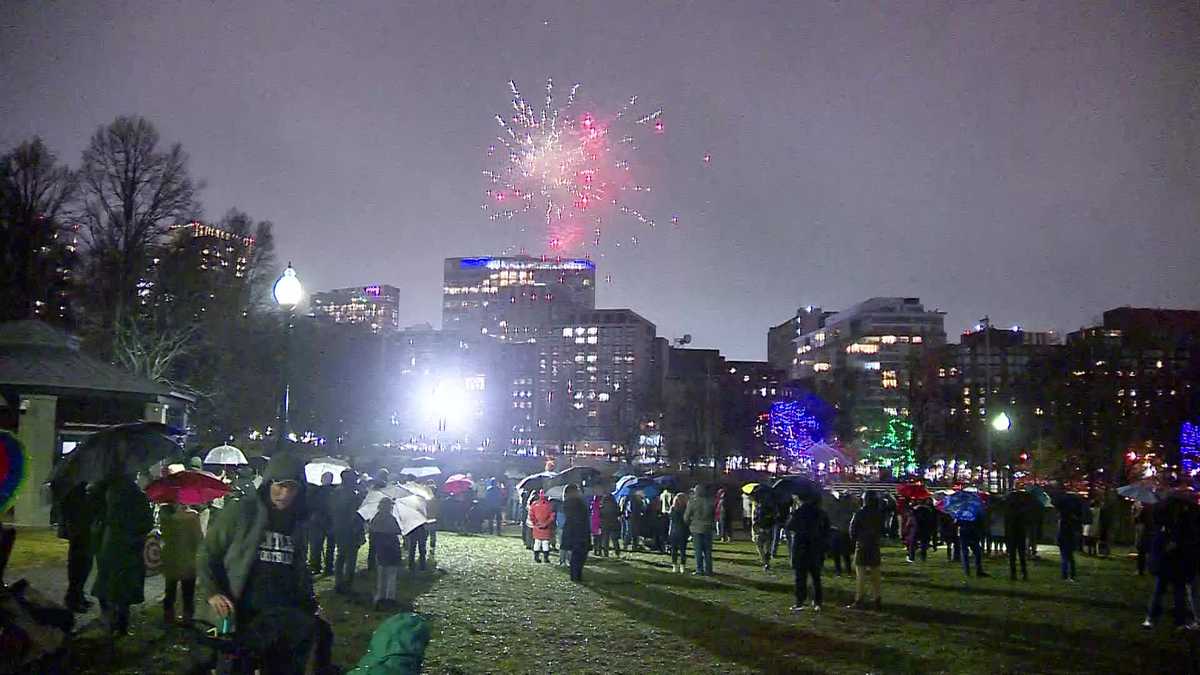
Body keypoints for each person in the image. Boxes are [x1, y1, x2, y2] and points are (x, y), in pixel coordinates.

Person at [196, 453, 331, 675]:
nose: (285, 494)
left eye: (292, 488)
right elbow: (208, 553)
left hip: (281, 618)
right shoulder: (241, 512)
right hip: (242, 614)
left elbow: (298, 568)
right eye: (280, 486)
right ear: (269, 482)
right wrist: (213, 592)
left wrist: (311, 605)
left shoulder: (298, 522)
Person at [92, 473, 154, 637]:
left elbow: (96, 516)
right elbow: (148, 522)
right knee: (123, 587)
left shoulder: (104, 491)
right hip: (130, 545)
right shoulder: (137, 496)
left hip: (108, 542)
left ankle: (108, 618)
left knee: (106, 581)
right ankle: (121, 625)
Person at [1143, 497, 1198, 629]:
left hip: (1169, 563)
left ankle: (1152, 618)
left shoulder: (1164, 525)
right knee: (1176, 591)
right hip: (1175, 562)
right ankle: (1177, 620)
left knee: (1162, 591)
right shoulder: (1180, 524)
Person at [160, 503, 203, 625]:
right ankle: (187, 618)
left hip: (171, 558)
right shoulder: (193, 517)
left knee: (170, 590)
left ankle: (168, 617)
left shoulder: (165, 516)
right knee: (188, 592)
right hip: (188, 559)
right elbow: (199, 539)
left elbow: (164, 536)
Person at [58, 481, 96, 612]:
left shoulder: (83, 488)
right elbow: (69, 509)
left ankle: (78, 595)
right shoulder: (72, 489)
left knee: (85, 564)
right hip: (79, 531)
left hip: (84, 530)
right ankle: (73, 598)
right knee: (78, 565)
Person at [788, 494, 830, 612]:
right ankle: (818, 602)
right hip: (816, 548)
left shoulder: (798, 512)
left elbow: (790, 526)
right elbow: (827, 530)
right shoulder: (821, 513)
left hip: (801, 548)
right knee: (816, 577)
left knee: (800, 577)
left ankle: (800, 602)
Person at [847, 491, 883, 610]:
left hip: (862, 545)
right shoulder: (878, 513)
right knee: (875, 573)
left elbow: (852, 529)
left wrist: (856, 539)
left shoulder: (859, 513)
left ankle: (859, 598)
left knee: (861, 574)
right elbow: (883, 528)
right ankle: (877, 598)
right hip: (874, 545)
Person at [332, 469, 365, 594]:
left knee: (341, 556)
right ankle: (346, 584)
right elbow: (355, 514)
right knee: (350, 558)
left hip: (339, 528)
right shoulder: (352, 495)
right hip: (350, 530)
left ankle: (338, 582)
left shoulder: (336, 492)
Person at [369, 497, 403, 610]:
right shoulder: (391, 519)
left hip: (381, 550)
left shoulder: (376, 518)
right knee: (391, 574)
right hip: (392, 549)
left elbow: (372, 533)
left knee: (381, 574)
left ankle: (380, 596)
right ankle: (390, 597)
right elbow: (397, 530)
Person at [561, 484, 591, 582]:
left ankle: (577, 574)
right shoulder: (574, 503)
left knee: (579, 554)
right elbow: (577, 518)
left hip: (577, 531)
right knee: (578, 554)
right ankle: (576, 575)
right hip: (578, 531)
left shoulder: (573, 502)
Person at [308, 472, 336, 576]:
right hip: (322, 521)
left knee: (320, 546)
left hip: (323, 521)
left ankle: (320, 566)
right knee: (320, 546)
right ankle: (322, 566)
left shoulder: (317, 491)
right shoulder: (319, 491)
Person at [684, 484, 715, 576]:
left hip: (696, 528)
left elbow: (686, 516)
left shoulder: (692, 502)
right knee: (708, 551)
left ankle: (699, 569)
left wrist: (689, 524)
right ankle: (709, 570)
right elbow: (713, 515)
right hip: (708, 528)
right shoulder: (710, 502)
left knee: (698, 551)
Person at [1057, 500, 1084, 582]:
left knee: (1065, 557)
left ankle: (1065, 575)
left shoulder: (1062, 520)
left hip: (1064, 538)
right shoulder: (1073, 519)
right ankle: (1071, 574)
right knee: (1070, 558)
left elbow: (1060, 530)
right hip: (1070, 538)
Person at [1005, 495, 1029, 581]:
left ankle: (1013, 574)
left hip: (1012, 535)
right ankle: (1024, 573)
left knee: (1012, 556)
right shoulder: (1023, 512)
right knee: (1022, 555)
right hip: (1021, 534)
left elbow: (1007, 524)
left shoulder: (1010, 513)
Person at [752, 496, 778, 571]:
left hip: (762, 530)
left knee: (760, 546)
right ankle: (767, 562)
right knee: (767, 548)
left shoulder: (758, 509)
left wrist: (757, 529)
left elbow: (755, 520)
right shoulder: (770, 508)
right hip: (768, 530)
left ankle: (765, 562)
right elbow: (773, 520)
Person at [529, 491, 554, 563]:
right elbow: (552, 516)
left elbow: (531, 515)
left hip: (537, 526)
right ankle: (546, 558)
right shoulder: (549, 505)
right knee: (545, 543)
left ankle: (536, 557)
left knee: (537, 542)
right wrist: (546, 523)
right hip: (546, 526)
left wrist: (535, 523)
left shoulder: (534, 504)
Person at [668, 492, 690, 573]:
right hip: (683, 531)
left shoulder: (672, 509)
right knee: (682, 550)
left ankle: (674, 566)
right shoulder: (686, 509)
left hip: (674, 531)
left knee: (674, 550)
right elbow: (687, 521)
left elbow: (670, 520)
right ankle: (682, 566)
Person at [1133, 500, 1155, 576]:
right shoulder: (1153, 507)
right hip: (1151, 531)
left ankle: (1141, 570)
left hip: (1146, 531)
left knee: (1142, 550)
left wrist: (1138, 513)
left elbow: (1137, 520)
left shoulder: (1145, 509)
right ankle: (1149, 569)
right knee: (1149, 552)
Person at [599, 493, 621, 558]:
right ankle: (617, 552)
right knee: (615, 539)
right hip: (614, 523)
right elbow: (618, 513)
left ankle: (606, 553)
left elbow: (599, 515)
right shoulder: (615, 505)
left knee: (605, 539)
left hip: (605, 524)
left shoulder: (602, 506)